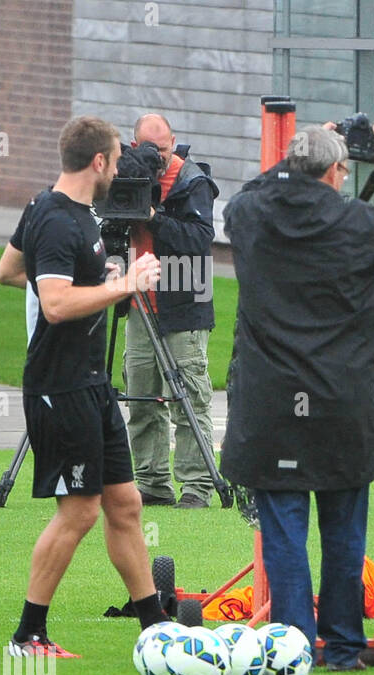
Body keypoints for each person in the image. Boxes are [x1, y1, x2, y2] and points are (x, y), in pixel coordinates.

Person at [221, 123, 374, 671]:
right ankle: (342, 646)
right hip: (340, 401)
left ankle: (290, 646)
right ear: (338, 173)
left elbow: (240, 200)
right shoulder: (355, 220)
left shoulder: (254, 214)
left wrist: (296, 156)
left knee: (284, 528)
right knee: (343, 529)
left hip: (270, 401)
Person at [0, 115, 168, 657]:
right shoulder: (57, 219)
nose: (119, 168)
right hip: (59, 386)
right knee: (80, 510)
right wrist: (121, 287)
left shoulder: (65, 211)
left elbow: (7, 270)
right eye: (116, 159)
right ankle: (28, 634)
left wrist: (83, 282)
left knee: (125, 502)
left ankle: (156, 626)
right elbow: (55, 303)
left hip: (91, 384)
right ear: (98, 162)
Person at [123, 113, 220, 509]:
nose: (157, 158)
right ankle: (152, 483)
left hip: (184, 304)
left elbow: (199, 241)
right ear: (134, 147)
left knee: (189, 398)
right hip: (138, 304)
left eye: (162, 149)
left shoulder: (192, 182)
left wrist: (151, 218)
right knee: (141, 396)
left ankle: (197, 485)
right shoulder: (124, 179)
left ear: (175, 142)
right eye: (149, 150)